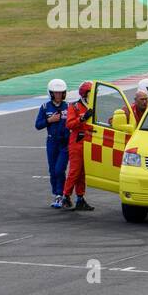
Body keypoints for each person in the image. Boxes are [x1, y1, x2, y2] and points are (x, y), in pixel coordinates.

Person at [34, 78, 70, 209]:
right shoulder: (45, 107)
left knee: (60, 169)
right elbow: (38, 125)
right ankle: (57, 194)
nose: (59, 95)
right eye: (56, 93)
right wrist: (50, 120)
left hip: (65, 143)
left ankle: (62, 194)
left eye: (61, 93)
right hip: (52, 142)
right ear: (51, 93)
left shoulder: (69, 107)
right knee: (53, 171)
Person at [63, 81, 96, 211]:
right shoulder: (74, 106)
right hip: (77, 142)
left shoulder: (94, 106)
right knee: (75, 171)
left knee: (83, 172)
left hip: (89, 142)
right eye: (90, 93)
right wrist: (82, 119)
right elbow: (69, 124)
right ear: (84, 94)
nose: (92, 96)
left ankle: (80, 198)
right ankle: (66, 196)